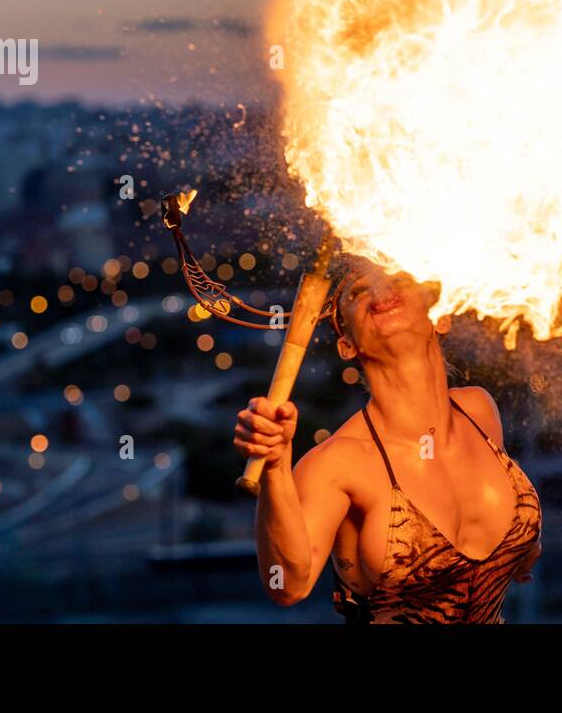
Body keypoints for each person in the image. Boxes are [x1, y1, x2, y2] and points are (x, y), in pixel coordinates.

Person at [232, 254, 542, 623]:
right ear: (346, 344)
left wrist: (522, 547)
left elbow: (509, 532)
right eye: (359, 290)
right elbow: (286, 585)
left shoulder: (478, 410)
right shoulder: (336, 463)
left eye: (400, 279)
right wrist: (276, 466)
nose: (382, 290)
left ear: (441, 317)